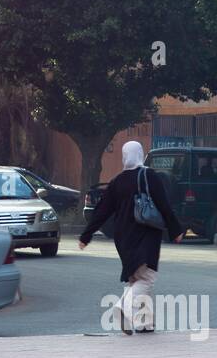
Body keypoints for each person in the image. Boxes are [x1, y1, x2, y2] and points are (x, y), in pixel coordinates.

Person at [78, 141, 184, 334]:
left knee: (137, 279)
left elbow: (101, 211)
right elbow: (163, 204)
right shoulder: (150, 176)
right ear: (141, 154)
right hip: (146, 234)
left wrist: (86, 235)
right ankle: (123, 307)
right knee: (147, 278)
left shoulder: (117, 182)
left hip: (123, 237)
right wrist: (176, 230)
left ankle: (145, 324)